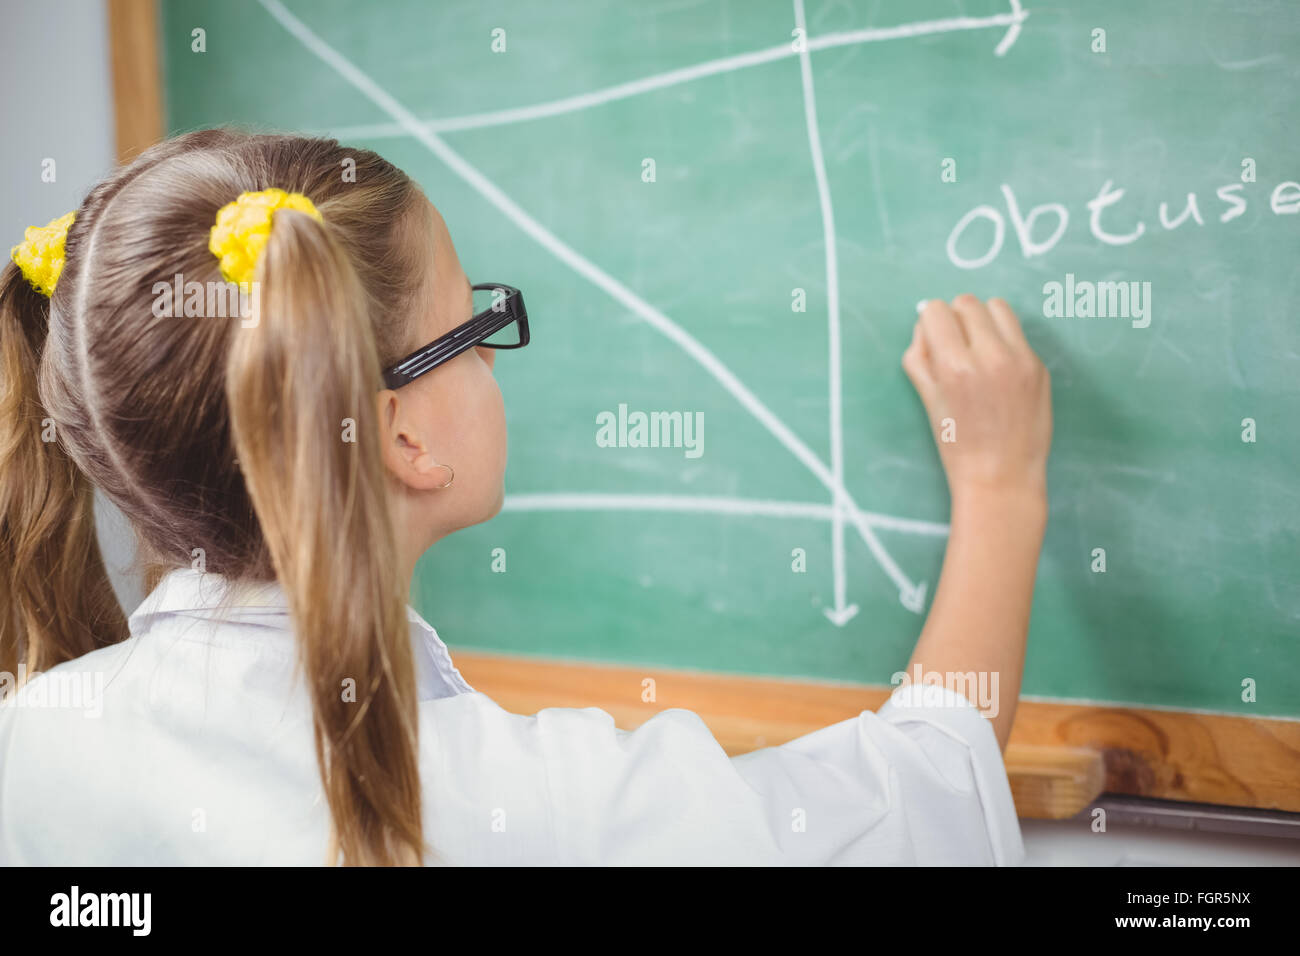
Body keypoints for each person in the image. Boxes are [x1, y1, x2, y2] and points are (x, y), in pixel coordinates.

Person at [0, 130, 1051, 865]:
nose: (497, 360)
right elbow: (923, 797)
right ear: (403, 431)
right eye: (474, 328)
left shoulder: (29, 746)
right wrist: (1000, 485)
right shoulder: (540, 805)